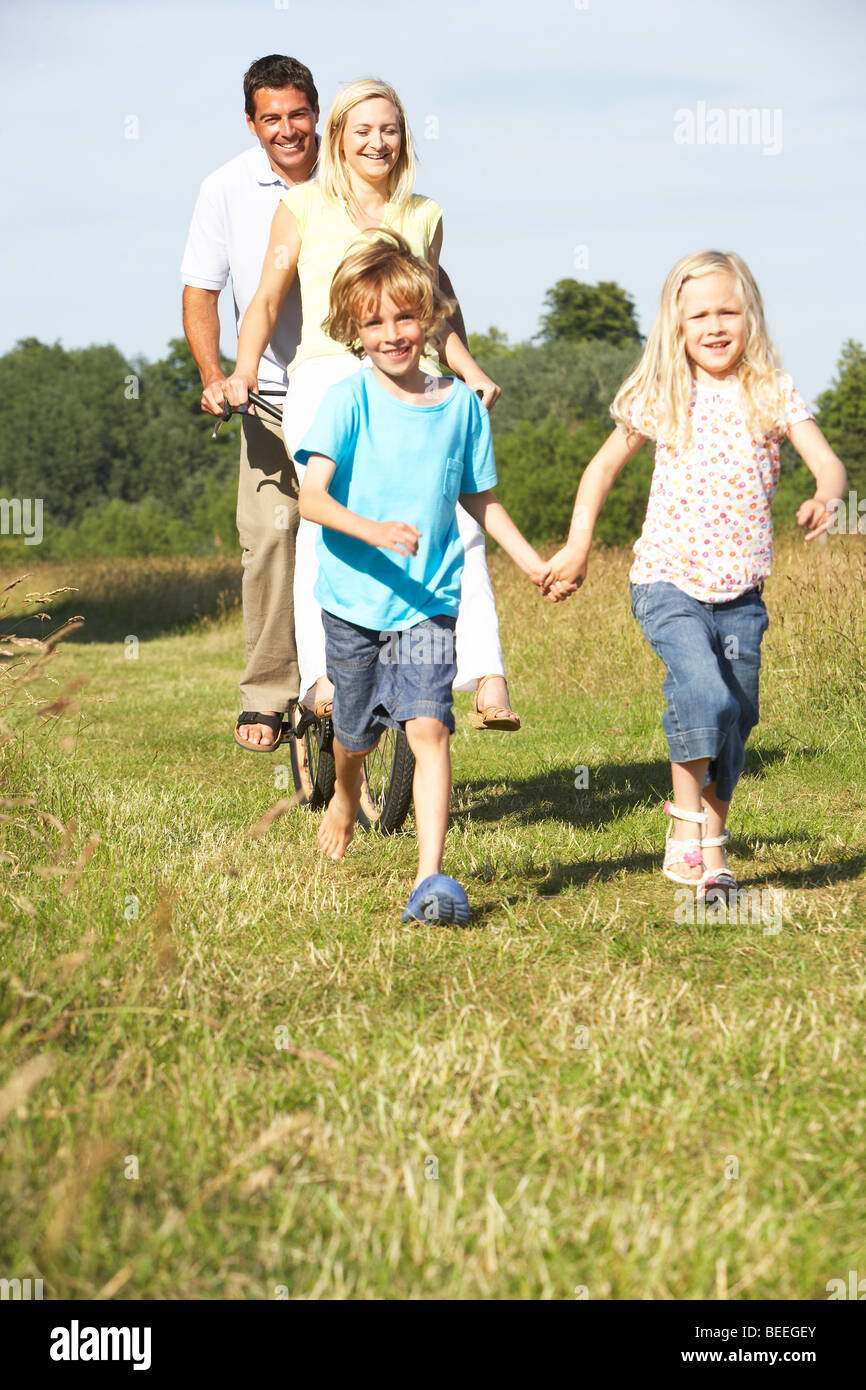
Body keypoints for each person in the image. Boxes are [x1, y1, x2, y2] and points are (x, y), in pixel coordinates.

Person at [546, 249, 847, 902]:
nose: (714, 326)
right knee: (704, 694)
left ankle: (711, 855)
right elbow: (600, 470)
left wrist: (826, 495)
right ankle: (686, 827)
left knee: (736, 718)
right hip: (667, 583)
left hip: (740, 597)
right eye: (699, 315)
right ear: (676, 327)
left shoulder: (771, 390)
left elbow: (827, 462)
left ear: (751, 316)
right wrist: (576, 546)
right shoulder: (664, 392)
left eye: (727, 312)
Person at [225, 77, 523, 734]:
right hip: (329, 376)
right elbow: (267, 300)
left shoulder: (424, 214)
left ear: (403, 138)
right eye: (362, 130)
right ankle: (321, 676)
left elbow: (436, 310)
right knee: (323, 520)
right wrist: (243, 371)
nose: (377, 142)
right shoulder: (303, 206)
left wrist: (469, 370)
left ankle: (488, 673)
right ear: (339, 138)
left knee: (457, 518)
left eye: (388, 130)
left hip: (411, 374)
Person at [293, 234, 550, 923]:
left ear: (430, 319)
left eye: (405, 318)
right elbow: (310, 499)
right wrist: (372, 530)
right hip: (352, 601)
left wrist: (528, 560)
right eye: (374, 322)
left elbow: (480, 499)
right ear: (352, 330)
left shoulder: (462, 407)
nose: (392, 334)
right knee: (356, 736)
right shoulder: (348, 402)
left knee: (429, 728)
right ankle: (346, 795)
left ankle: (430, 879)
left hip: (431, 600)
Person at [182, 55, 319, 752]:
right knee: (271, 537)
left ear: (316, 113)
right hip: (265, 394)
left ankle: (374, 679)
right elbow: (202, 291)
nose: (287, 129)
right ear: (251, 122)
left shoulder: (351, 173)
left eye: (298, 114)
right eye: (272, 118)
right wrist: (216, 375)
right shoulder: (226, 188)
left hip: (355, 392)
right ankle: (267, 695)